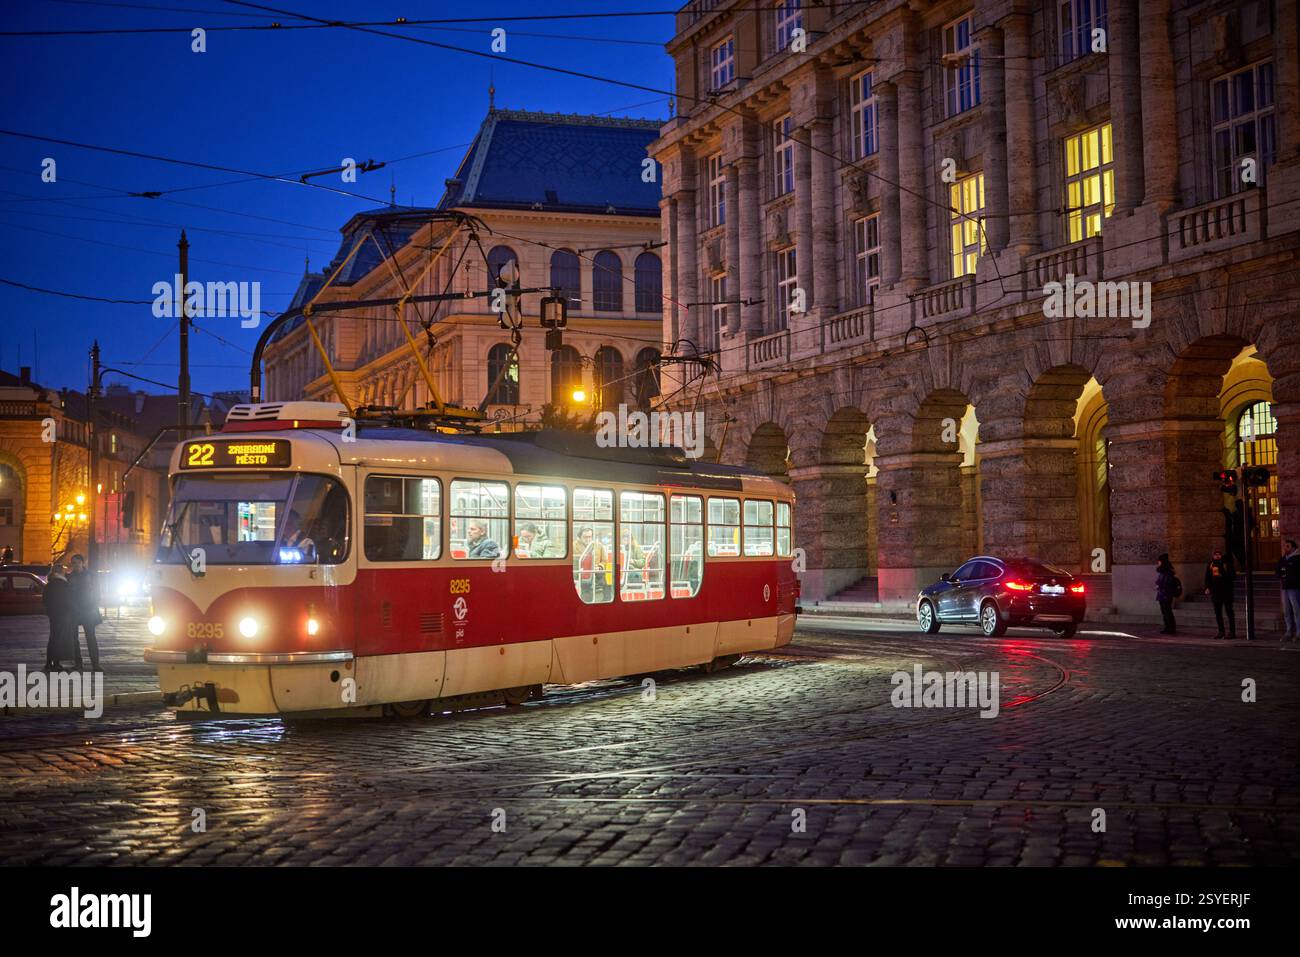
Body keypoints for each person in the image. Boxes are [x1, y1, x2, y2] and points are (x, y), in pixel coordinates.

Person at [67, 554, 102, 670]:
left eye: (77, 562)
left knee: (91, 637)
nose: (76, 565)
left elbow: (97, 592)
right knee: (73, 639)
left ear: (83, 563)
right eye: (73, 563)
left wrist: (94, 604)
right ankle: (78, 663)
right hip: (74, 610)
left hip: (88, 610)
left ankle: (95, 664)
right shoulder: (69, 577)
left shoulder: (91, 576)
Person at [41, 564, 76, 671]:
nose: (66, 572)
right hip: (63, 614)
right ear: (60, 572)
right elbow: (67, 600)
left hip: (54, 614)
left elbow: (45, 600)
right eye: (64, 570)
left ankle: (49, 662)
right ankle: (55, 662)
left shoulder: (49, 584)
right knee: (59, 638)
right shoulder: (62, 584)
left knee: (53, 637)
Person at [1203, 548, 1237, 640]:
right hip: (1216, 592)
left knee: (1229, 612)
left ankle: (1232, 632)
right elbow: (1208, 577)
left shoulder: (1226, 564)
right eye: (1215, 554)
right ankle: (1221, 631)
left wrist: (1222, 571)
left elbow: (1233, 576)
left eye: (1218, 554)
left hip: (1226, 591)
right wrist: (1207, 587)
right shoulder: (1211, 564)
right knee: (1218, 613)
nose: (1217, 556)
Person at [573, 526, 609, 602]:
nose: (588, 539)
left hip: (597, 573)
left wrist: (600, 567)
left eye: (590, 537)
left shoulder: (598, 545)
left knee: (607, 583)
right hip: (582, 574)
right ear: (580, 536)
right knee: (586, 593)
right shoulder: (574, 546)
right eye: (585, 537)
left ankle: (605, 600)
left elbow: (604, 560)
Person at [1278, 539, 1300, 641]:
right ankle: (1288, 631)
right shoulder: (1283, 559)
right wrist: (1281, 576)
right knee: (1286, 610)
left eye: (1287, 546)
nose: (1285, 548)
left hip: (1294, 587)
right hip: (1285, 587)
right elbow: (1278, 570)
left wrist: (1290, 578)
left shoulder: (1297, 559)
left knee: (1296, 610)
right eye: (1285, 546)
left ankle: (1299, 632)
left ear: (1293, 548)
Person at [1155, 553, 1179, 636]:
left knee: (1167, 611)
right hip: (1162, 594)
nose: (1158, 562)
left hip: (1166, 594)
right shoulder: (1163, 571)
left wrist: (1159, 585)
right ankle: (1167, 627)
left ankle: (1171, 628)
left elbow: (1167, 583)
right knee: (1165, 612)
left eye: (1159, 561)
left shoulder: (1167, 572)